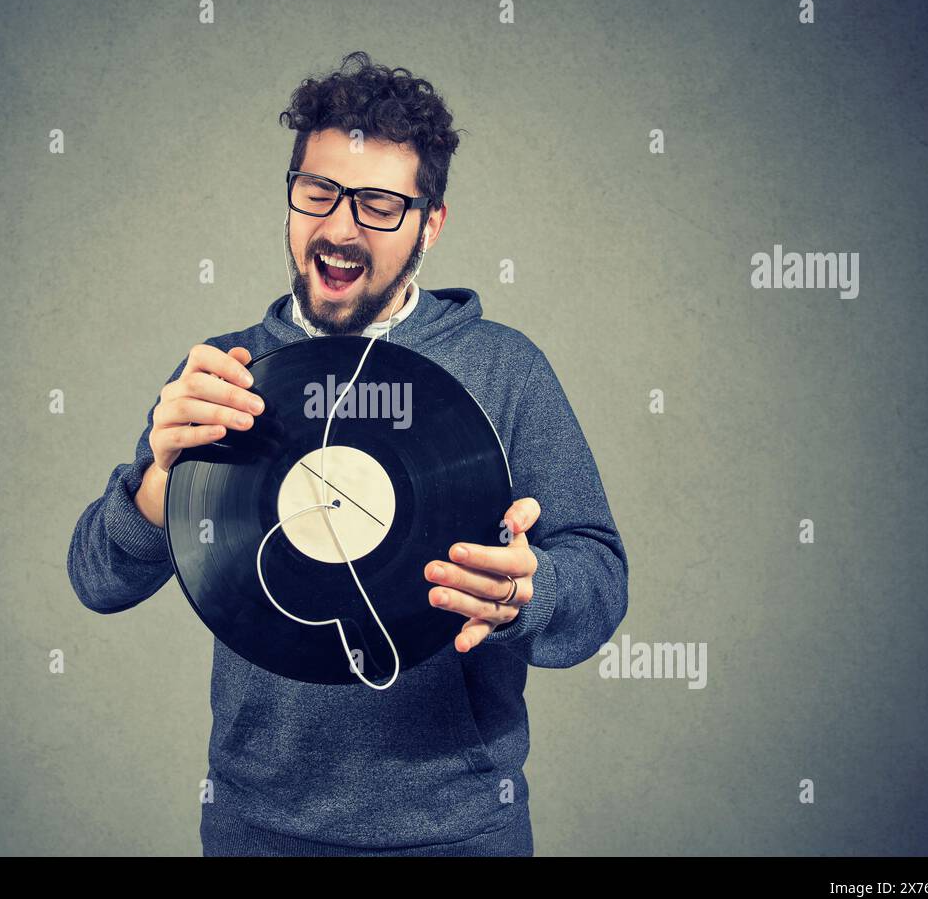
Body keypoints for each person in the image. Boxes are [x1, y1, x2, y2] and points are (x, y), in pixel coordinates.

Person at [67, 51, 629, 856]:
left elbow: (600, 579)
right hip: (256, 832)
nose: (338, 227)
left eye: (377, 205)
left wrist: (531, 595)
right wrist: (159, 480)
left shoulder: (505, 369)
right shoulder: (224, 376)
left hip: (461, 834)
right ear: (292, 197)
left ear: (431, 223)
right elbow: (96, 580)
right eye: (318, 193)